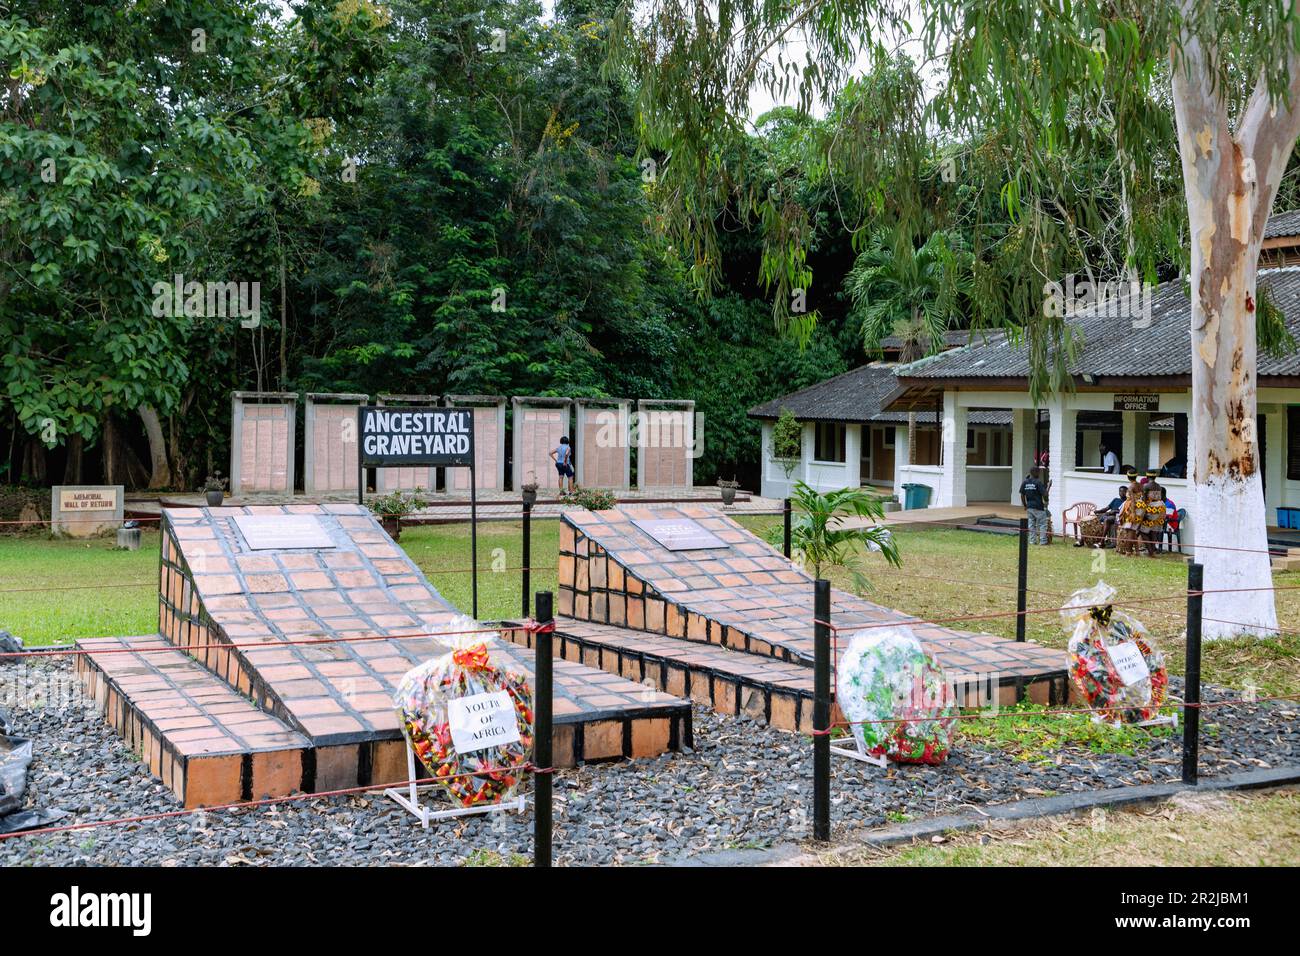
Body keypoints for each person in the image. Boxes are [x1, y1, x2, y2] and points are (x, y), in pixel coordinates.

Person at [1019, 466, 1050, 545]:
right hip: (1038, 507)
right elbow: (1045, 494)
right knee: (1042, 524)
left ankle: (1032, 541)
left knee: (1031, 524)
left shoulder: (1025, 482)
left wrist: (1025, 505)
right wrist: (1049, 486)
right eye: (1038, 472)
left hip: (1029, 507)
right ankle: (1043, 541)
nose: (1039, 474)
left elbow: (1022, 495)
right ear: (1036, 473)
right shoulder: (1038, 482)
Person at [1096, 484, 1128, 548]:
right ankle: (1086, 539)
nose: (1121, 493)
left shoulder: (1127, 502)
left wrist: (1113, 511)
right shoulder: (1115, 499)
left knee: (1107, 519)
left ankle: (1102, 541)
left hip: (1116, 517)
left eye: (1123, 491)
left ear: (1127, 492)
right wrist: (1097, 511)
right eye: (1120, 491)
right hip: (1108, 514)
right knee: (1094, 518)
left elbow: (1125, 511)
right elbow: (1106, 508)